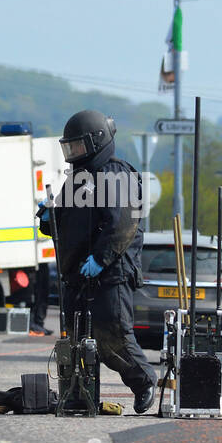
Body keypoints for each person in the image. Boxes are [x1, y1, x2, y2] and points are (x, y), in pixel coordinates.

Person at [37, 109, 157, 414]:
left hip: (110, 273)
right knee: (75, 342)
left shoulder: (116, 173)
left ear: (96, 142)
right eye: (70, 147)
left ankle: (144, 381)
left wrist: (100, 259)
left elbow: (123, 224)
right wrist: (47, 217)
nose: (73, 153)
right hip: (77, 275)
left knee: (112, 335)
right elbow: (62, 223)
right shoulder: (76, 178)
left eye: (78, 146)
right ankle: (78, 393)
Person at [29, 262, 52, 336]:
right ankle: (34, 324)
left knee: (44, 293)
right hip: (36, 263)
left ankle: (39, 324)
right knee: (38, 294)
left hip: (42, 262)